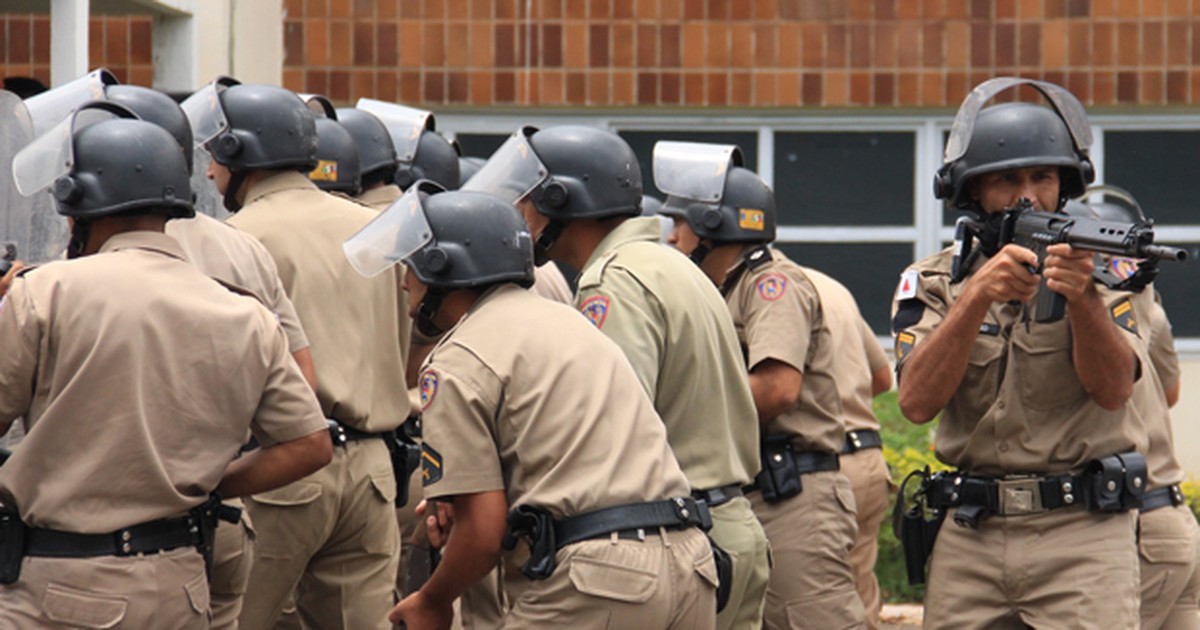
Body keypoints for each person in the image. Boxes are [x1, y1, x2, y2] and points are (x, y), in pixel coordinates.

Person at [0, 103, 331, 629]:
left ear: (77, 207)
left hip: (59, 586)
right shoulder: (243, 312)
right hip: (181, 585)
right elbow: (310, 445)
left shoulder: (44, 292)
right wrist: (208, 484)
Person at [341, 183, 717, 629]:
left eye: (412, 265)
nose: (404, 281)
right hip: (691, 561)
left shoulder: (459, 356)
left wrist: (432, 599)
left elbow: (481, 535)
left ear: (442, 265)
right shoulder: (569, 321)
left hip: (599, 576)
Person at [465, 125, 769, 630]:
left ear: (560, 200)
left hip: (681, 531)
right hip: (722, 524)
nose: (519, 213)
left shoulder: (616, 281)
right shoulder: (666, 263)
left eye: (528, 198)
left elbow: (607, 434)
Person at [892, 78, 1149, 629]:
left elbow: (1113, 391)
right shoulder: (932, 281)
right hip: (971, 533)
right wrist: (977, 293)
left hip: (1081, 535)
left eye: (1043, 177)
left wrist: (1081, 299)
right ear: (973, 191)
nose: (1028, 195)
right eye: (1007, 179)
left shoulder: (1105, 275)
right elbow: (915, 403)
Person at [184, 79, 412, 630]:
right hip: (374, 472)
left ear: (239, 155)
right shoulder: (377, 229)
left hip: (279, 469)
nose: (210, 172)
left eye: (215, 155)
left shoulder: (233, 238)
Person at [103, 81, 320, 630]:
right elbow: (304, 387)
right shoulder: (240, 244)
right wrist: (214, 476)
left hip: (100, 529)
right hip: (217, 509)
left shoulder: (70, 270)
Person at [657, 145, 869, 629]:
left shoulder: (771, 284)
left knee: (810, 621)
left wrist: (676, 410)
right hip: (754, 491)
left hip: (791, 494)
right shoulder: (721, 289)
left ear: (713, 226)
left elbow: (777, 389)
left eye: (679, 225)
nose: (671, 238)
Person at [1066, 191, 1200, 629]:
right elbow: (1171, 392)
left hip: (1137, 526)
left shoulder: (1090, 309)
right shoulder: (1150, 308)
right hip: (1173, 518)